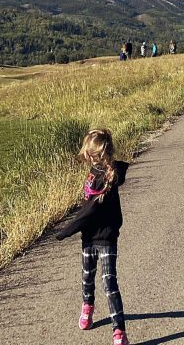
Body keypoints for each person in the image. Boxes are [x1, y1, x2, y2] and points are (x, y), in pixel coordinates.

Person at [55, 129, 129, 345]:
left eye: (87, 151)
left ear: (93, 154)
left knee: (109, 283)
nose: (85, 155)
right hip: (89, 236)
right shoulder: (95, 173)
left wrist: (65, 231)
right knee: (87, 277)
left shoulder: (107, 178)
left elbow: (89, 212)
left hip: (104, 238)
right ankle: (87, 307)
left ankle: (119, 332)